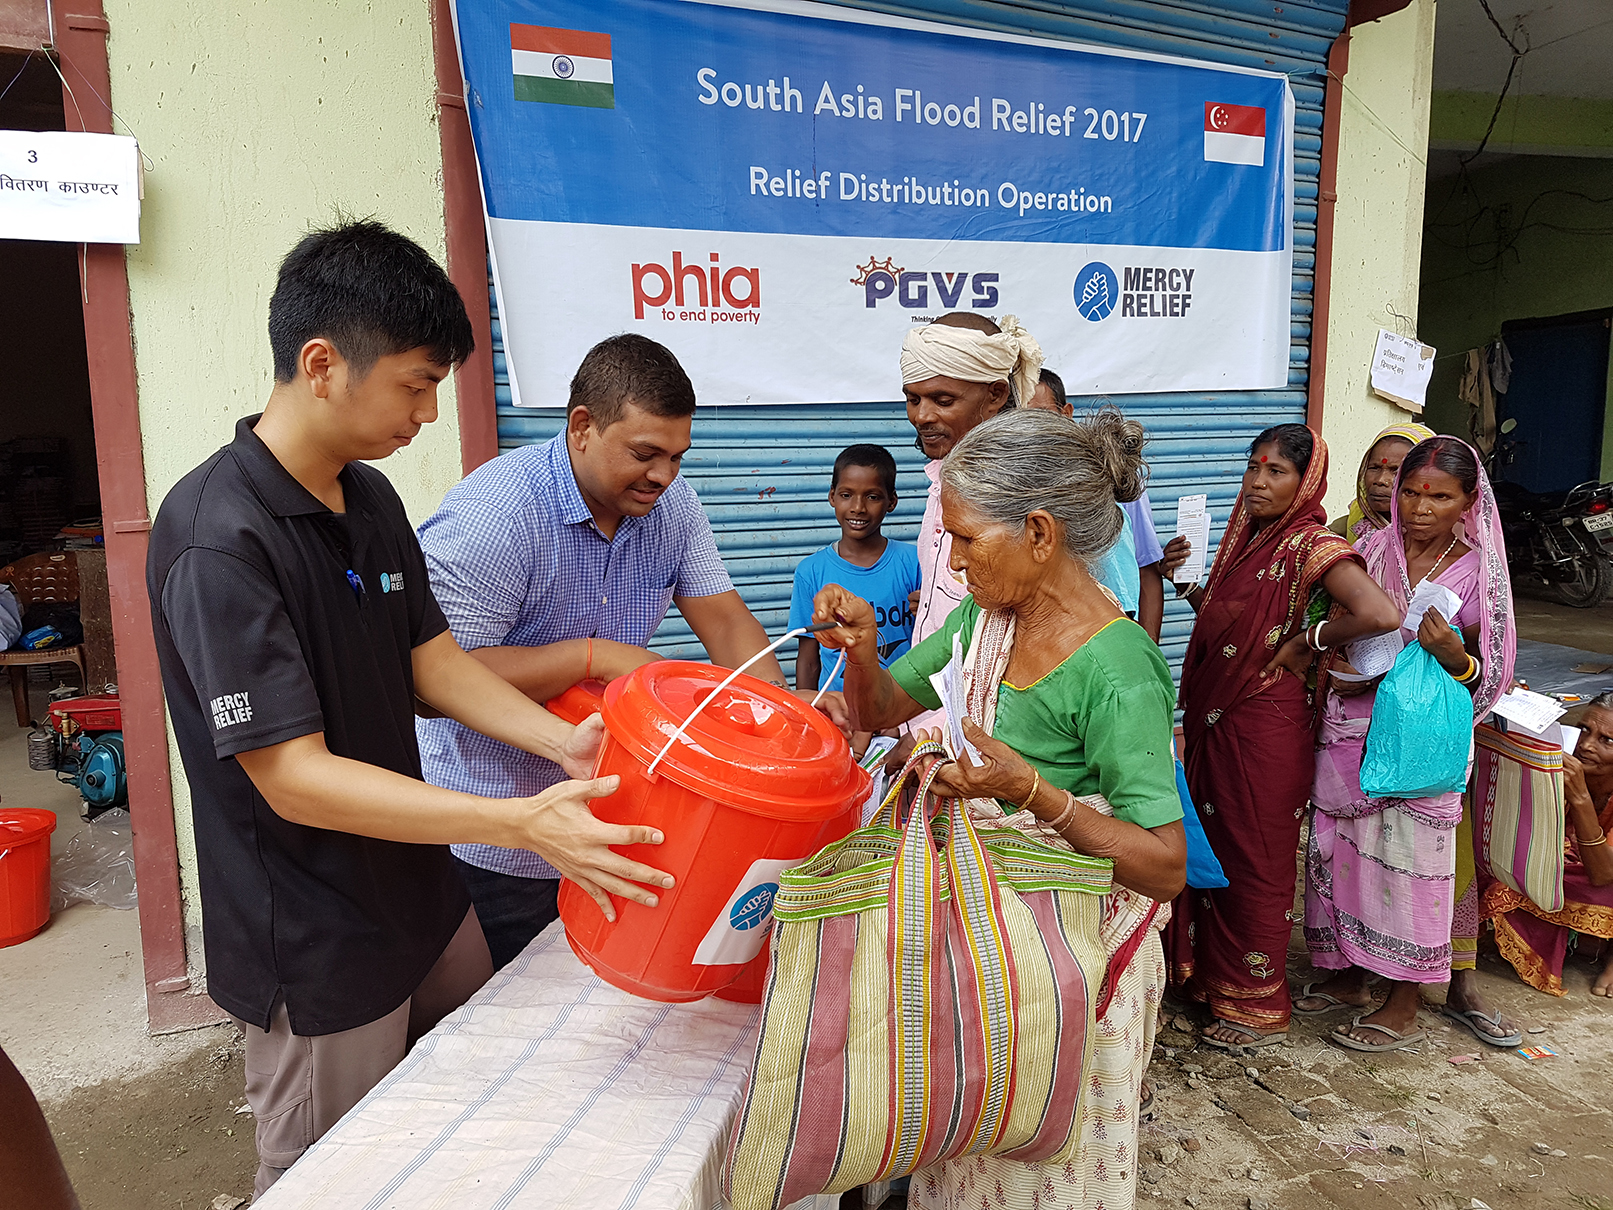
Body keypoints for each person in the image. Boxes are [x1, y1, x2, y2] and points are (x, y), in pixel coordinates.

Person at [147, 222, 672, 1194]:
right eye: (415, 385)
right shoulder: (218, 538)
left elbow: (434, 665)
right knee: (330, 1176)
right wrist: (516, 822)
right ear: (322, 365)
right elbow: (294, 779)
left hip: (423, 896)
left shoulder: (370, 500)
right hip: (316, 933)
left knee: (466, 1111)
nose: (428, 413)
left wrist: (563, 741)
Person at [814, 407, 1187, 1210]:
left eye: (965, 538)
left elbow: (1162, 868)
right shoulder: (980, 621)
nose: (950, 559)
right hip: (984, 949)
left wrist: (1030, 793)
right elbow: (880, 710)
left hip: (1073, 967)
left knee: (1043, 1176)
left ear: (1040, 533)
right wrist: (861, 648)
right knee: (964, 1152)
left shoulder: (1117, 670)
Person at [417, 334, 843, 970]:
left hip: (614, 816)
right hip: (501, 831)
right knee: (511, 999)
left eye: (677, 457)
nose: (664, 476)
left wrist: (775, 717)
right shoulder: (498, 514)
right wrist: (595, 657)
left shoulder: (672, 506)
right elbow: (438, 680)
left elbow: (726, 621)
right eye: (645, 454)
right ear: (582, 428)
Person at [1164, 424, 1400, 1050]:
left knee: (1256, 855)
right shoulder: (1248, 540)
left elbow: (1382, 614)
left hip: (1267, 725)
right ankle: (1210, 980)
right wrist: (1189, 586)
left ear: (1306, 481)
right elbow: (1238, 627)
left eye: (1276, 472)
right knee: (1212, 844)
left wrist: (1310, 641)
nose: (1259, 482)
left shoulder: (1312, 544)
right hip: (1221, 720)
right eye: (1253, 468)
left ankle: (1256, 1003)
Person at [1297, 437, 1517, 1050]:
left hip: (1421, 744)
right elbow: (1340, 622)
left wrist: (1453, 657)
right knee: (1341, 851)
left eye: (1440, 497)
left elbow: (1491, 673)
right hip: (1352, 724)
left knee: (1410, 867)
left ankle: (1405, 1000)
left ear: (1469, 503)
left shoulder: (1479, 573)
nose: (1421, 509)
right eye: (1412, 493)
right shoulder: (1371, 548)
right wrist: (1338, 660)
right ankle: (1351, 974)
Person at [1025, 370, 1176, 641]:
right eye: (1019, 418)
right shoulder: (1015, 483)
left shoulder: (1106, 478)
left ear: (1066, 413)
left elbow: (1140, 579)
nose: (1031, 428)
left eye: (1040, 415)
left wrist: (1146, 651)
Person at [1485, 693, 1613, 997]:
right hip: (1567, 870)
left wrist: (1580, 797)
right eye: (1584, 730)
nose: (1586, 745)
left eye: (1607, 740)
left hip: (1601, 877)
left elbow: (1603, 874)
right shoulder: (1559, 767)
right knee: (1500, 866)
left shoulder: (1574, 779)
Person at [788, 443, 919, 695]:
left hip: (902, 704)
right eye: (847, 495)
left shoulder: (914, 562)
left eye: (872, 497)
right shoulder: (811, 571)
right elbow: (808, 658)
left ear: (891, 501)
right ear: (832, 497)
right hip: (840, 707)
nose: (858, 507)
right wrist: (808, 709)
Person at [1327, 421, 1436, 542]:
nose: (1380, 480)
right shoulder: (1342, 532)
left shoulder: (1445, 537)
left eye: (1396, 471)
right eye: (1374, 468)